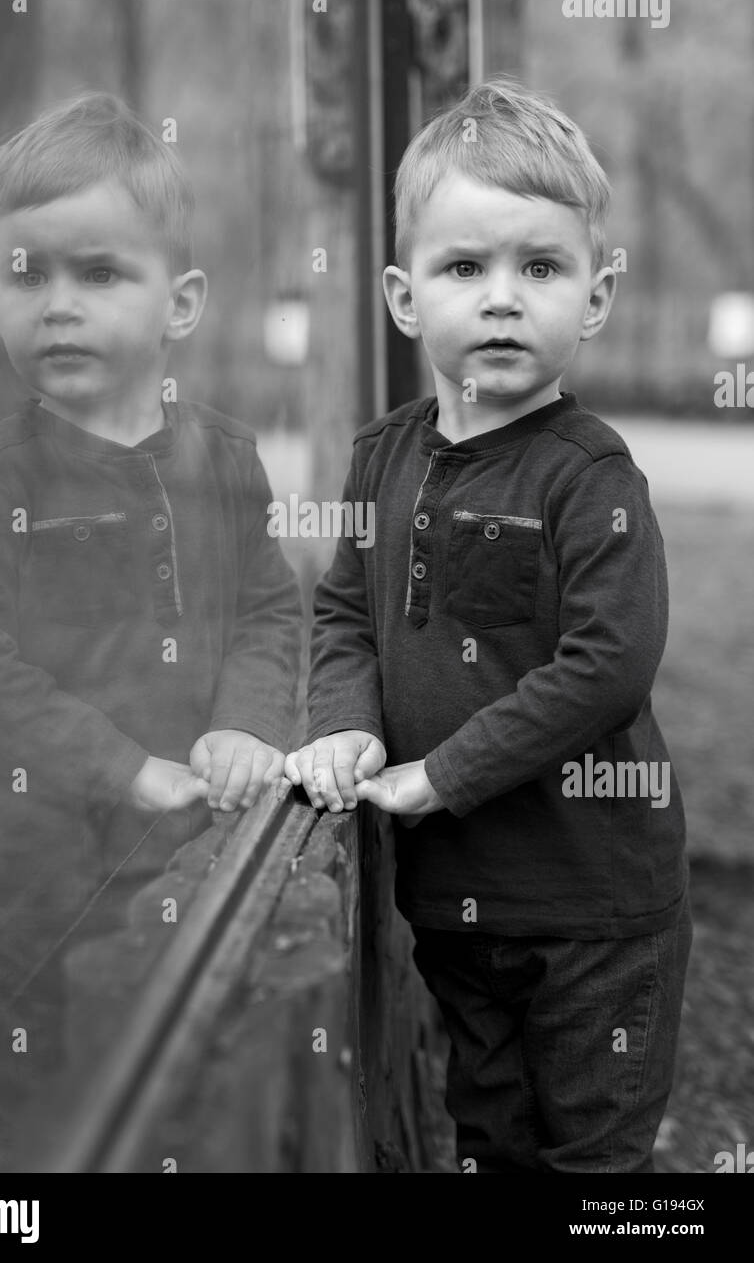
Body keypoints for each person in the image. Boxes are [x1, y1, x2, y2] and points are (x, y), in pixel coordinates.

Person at [286, 79, 691, 1174]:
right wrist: (345, 725)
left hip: (591, 912)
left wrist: (441, 773)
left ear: (595, 297)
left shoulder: (587, 474)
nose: (502, 299)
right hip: (457, 908)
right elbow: (342, 612)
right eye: (465, 268)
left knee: (592, 1162)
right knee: (490, 1138)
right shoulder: (380, 458)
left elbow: (606, 667)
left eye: (540, 268)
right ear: (402, 296)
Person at [0, 92, 303, 1168]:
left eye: (98, 274)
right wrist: (124, 765)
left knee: (174, 1086)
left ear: (178, 304)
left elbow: (271, 611)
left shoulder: (224, 460)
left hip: (189, 852)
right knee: (43, 1115)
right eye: (25, 274)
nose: (57, 305)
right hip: (24, 873)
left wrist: (243, 726)